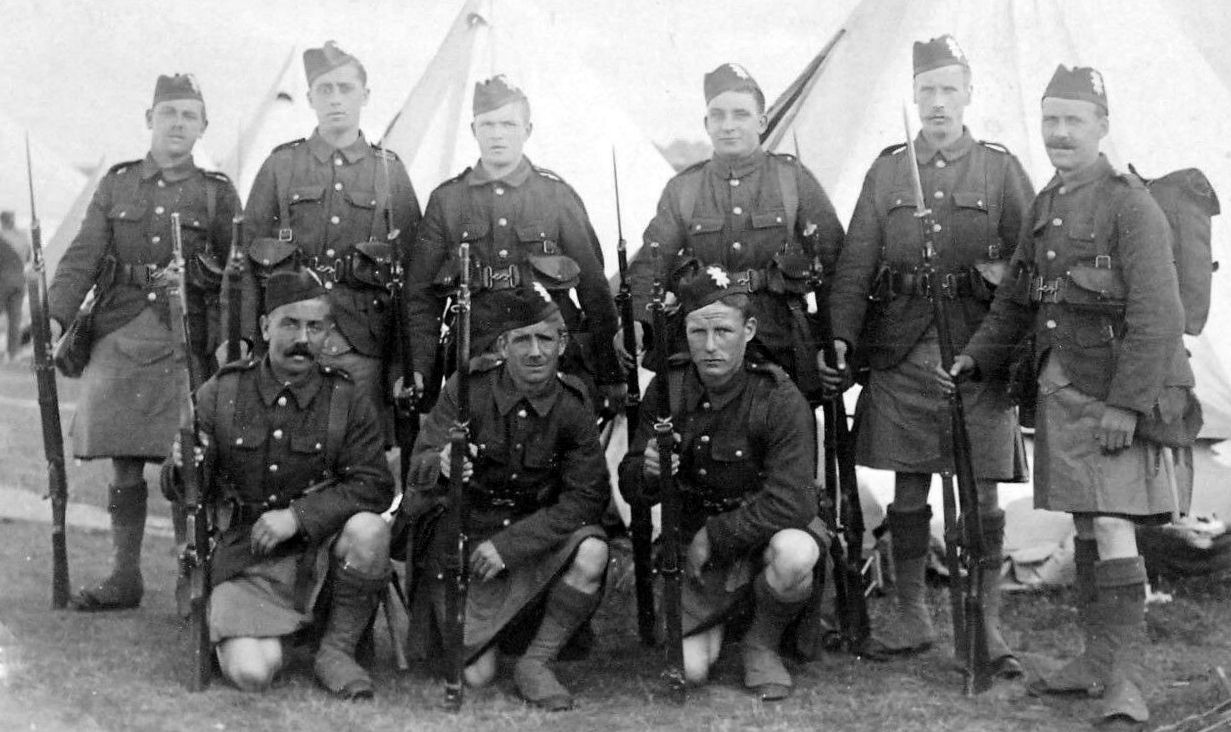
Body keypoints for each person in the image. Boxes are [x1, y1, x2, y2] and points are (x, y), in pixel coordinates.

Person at [953, 64, 1194, 729]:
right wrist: (976, 355)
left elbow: (1157, 314)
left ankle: (1124, 681)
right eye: (1050, 120)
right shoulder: (1047, 203)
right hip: (1062, 387)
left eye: (1073, 121)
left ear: (1101, 126)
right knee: (1086, 523)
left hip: (1114, 392)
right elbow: (1013, 300)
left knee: (1113, 523)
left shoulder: (1129, 204)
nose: (1059, 133)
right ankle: (1093, 661)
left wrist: (1127, 404)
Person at [822, 35, 1034, 673]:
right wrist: (841, 335)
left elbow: (1026, 267)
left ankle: (985, 624)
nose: (937, 103)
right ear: (914, 97)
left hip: (977, 349)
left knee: (983, 493)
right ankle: (910, 614)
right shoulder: (888, 170)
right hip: (903, 347)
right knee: (909, 484)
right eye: (926, 91)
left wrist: (999, 348)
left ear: (969, 94)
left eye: (949, 89)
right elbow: (857, 262)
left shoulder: (1000, 169)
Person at [47, 74, 241, 610]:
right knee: (124, 459)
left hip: (186, 336)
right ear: (149, 118)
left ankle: (189, 573)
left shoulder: (217, 192)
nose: (178, 124)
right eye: (169, 113)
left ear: (204, 126)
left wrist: (228, 340)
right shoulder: (117, 183)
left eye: (189, 116)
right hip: (121, 328)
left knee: (189, 459)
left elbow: (234, 275)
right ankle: (123, 576)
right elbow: (82, 256)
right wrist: (56, 320)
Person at [167, 269, 394, 698]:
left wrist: (298, 517)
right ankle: (279, 637)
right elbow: (181, 485)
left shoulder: (346, 399)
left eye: (315, 327)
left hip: (320, 560)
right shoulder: (224, 390)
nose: (303, 339)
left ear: (329, 333)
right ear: (266, 326)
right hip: (247, 558)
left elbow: (375, 485)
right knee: (251, 674)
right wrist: (184, 466)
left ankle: (335, 649)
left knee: (371, 529)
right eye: (290, 324)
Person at [399, 285, 610, 711]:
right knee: (476, 678)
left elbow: (586, 498)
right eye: (522, 340)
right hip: (467, 544)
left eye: (545, 339)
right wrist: (441, 464)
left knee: (592, 551)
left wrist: (510, 547)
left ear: (562, 343)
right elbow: (418, 465)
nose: (535, 352)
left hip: (528, 543)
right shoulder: (468, 388)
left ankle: (536, 661)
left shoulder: (573, 404)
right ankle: (502, 637)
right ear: (502, 345)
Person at [618, 263, 822, 701]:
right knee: (690, 671)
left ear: (748, 329)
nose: (710, 346)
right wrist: (648, 472)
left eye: (723, 331)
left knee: (797, 552)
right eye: (697, 332)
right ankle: (723, 624)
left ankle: (762, 641)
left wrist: (717, 533)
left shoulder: (779, 397)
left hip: (759, 535)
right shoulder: (667, 389)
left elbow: (793, 503)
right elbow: (630, 484)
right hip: (697, 549)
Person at [615, 63, 844, 400]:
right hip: (704, 346)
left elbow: (835, 263)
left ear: (762, 122)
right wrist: (637, 320)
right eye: (718, 116)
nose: (728, 126)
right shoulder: (685, 188)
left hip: (780, 343)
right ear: (707, 124)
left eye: (741, 115)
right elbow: (653, 260)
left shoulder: (792, 180)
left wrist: (834, 340)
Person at [402, 75, 624, 411]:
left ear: (527, 130)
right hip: (476, 351)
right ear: (473, 129)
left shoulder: (556, 196)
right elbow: (420, 297)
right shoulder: (447, 201)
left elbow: (594, 288)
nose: (497, 134)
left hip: (552, 353)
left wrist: (609, 373)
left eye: (508, 123)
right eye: (488, 124)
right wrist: (419, 368)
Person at [243, 40, 421, 445]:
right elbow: (246, 264)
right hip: (290, 342)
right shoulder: (281, 166)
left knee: (357, 457)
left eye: (346, 89)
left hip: (361, 344)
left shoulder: (389, 172)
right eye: (325, 90)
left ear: (365, 96)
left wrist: (401, 367)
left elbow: (412, 277)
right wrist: (240, 339)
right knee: (283, 453)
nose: (336, 99)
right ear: (309, 98)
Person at [0, 211, 29, 362]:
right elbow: (29, 257)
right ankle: (13, 354)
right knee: (15, 319)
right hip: (19, 281)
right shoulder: (23, 237)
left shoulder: (2, 237)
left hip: (3, 281)